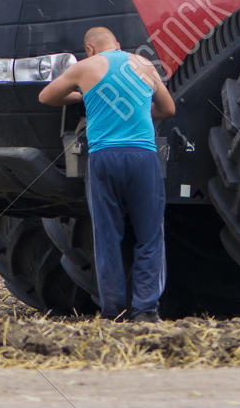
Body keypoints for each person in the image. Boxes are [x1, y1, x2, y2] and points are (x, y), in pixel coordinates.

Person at [38, 27, 175, 322]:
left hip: (104, 159)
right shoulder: (144, 65)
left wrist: (81, 97)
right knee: (149, 236)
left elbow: (46, 96)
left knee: (107, 237)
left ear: (90, 48)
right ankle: (146, 311)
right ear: (118, 45)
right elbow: (168, 108)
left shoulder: (85, 68)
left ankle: (113, 310)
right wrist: (137, 110)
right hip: (142, 157)